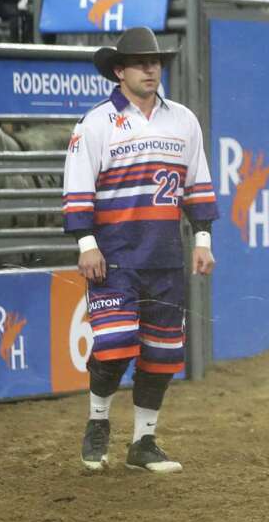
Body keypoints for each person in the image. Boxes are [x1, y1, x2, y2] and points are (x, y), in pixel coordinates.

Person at [63, 27, 218, 473]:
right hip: (115, 256)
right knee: (113, 345)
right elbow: (77, 187)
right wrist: (87, 243)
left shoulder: (183, 120)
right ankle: (97, 425)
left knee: (164, 352)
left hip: (166, 255)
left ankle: (144, 441)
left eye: (155, 62)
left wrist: (203, 239)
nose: (151, 69)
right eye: (140, 62)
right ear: (119, 70)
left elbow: (197, 185)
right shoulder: (95, 122)